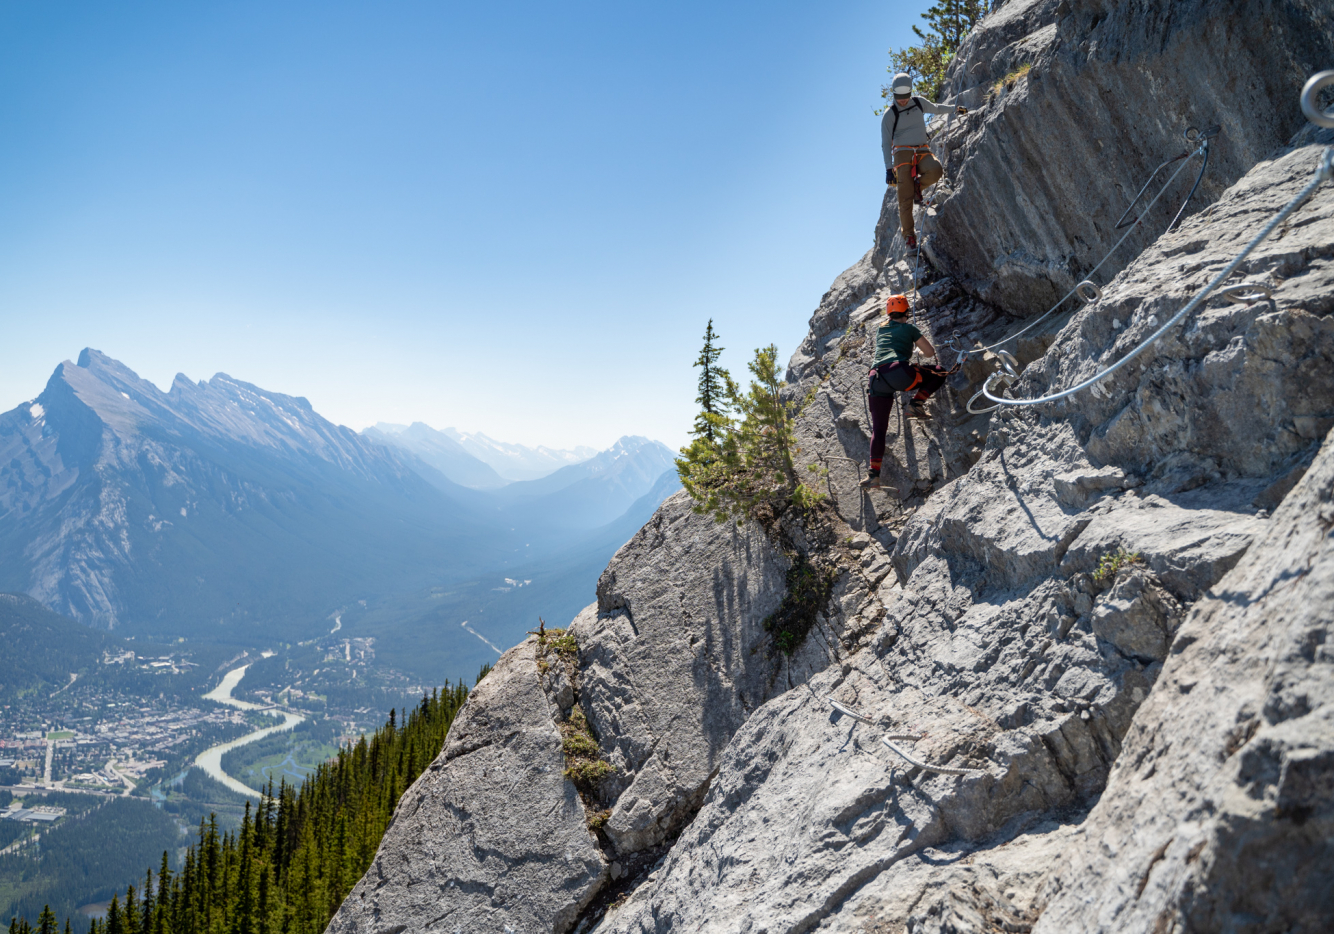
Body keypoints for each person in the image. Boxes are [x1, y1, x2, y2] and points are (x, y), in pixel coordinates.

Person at [861, 294, 948, 490]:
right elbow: (930, 353)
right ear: (907, 311)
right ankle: (916, 404)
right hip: (898, 373)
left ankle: (873, 475)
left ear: (888, 313)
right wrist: (914, 344)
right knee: (940, 372)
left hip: (876, 379)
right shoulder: (909, 328)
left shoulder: (881, 329)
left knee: (879, 430)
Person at [880, 72, 966, 249]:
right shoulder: (890, 115)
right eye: (899, 98)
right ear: (894, 94)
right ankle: (910, 238)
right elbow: (885, 143)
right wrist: (889, 169)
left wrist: (954, 109)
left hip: (921, 149)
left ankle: (917, 188)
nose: (902, 101)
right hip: (902, 155)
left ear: (910, 92)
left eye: (905, 97)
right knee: (904, 200)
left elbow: (936, 108)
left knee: (935, 170)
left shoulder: (918, 103)